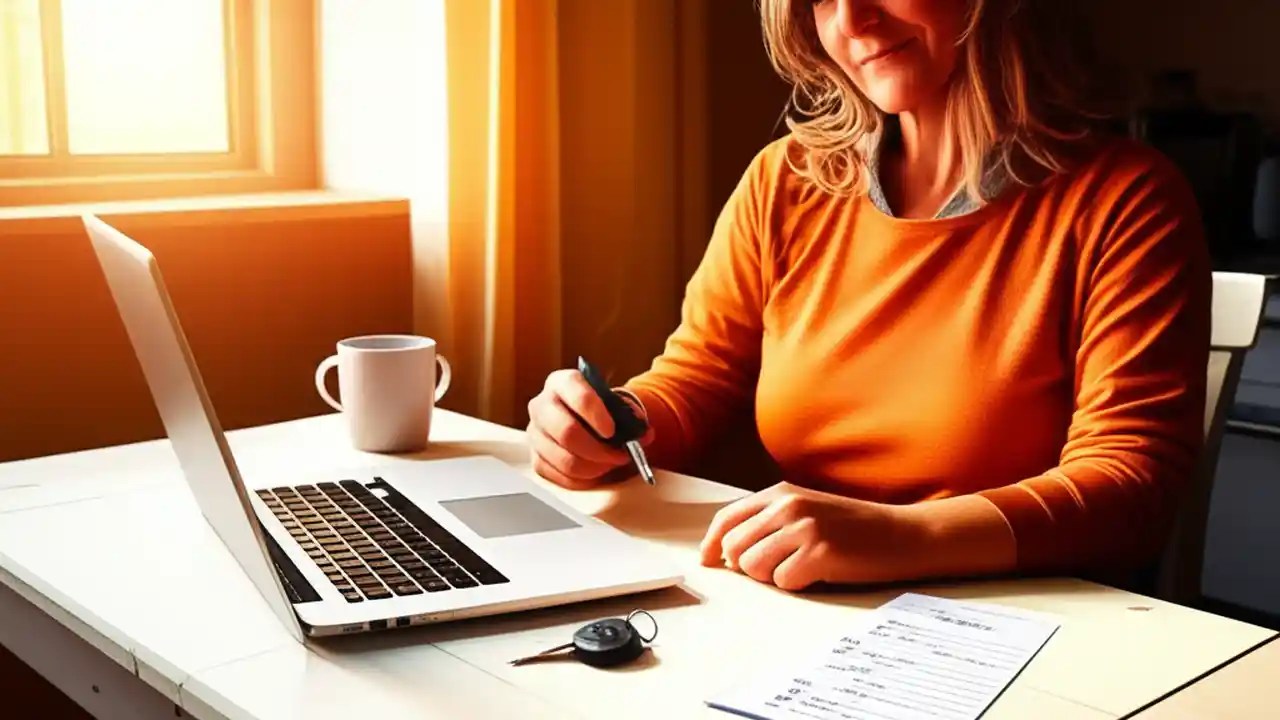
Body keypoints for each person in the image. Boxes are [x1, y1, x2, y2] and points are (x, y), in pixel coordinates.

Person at [525, 0, 1210, 592]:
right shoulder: (784, 182)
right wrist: (617, 426)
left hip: (1031, 626)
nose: (852, 21)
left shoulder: (1125, 202)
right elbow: (699, 374)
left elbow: (1131, 486)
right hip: (807, 602)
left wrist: (902, 538)